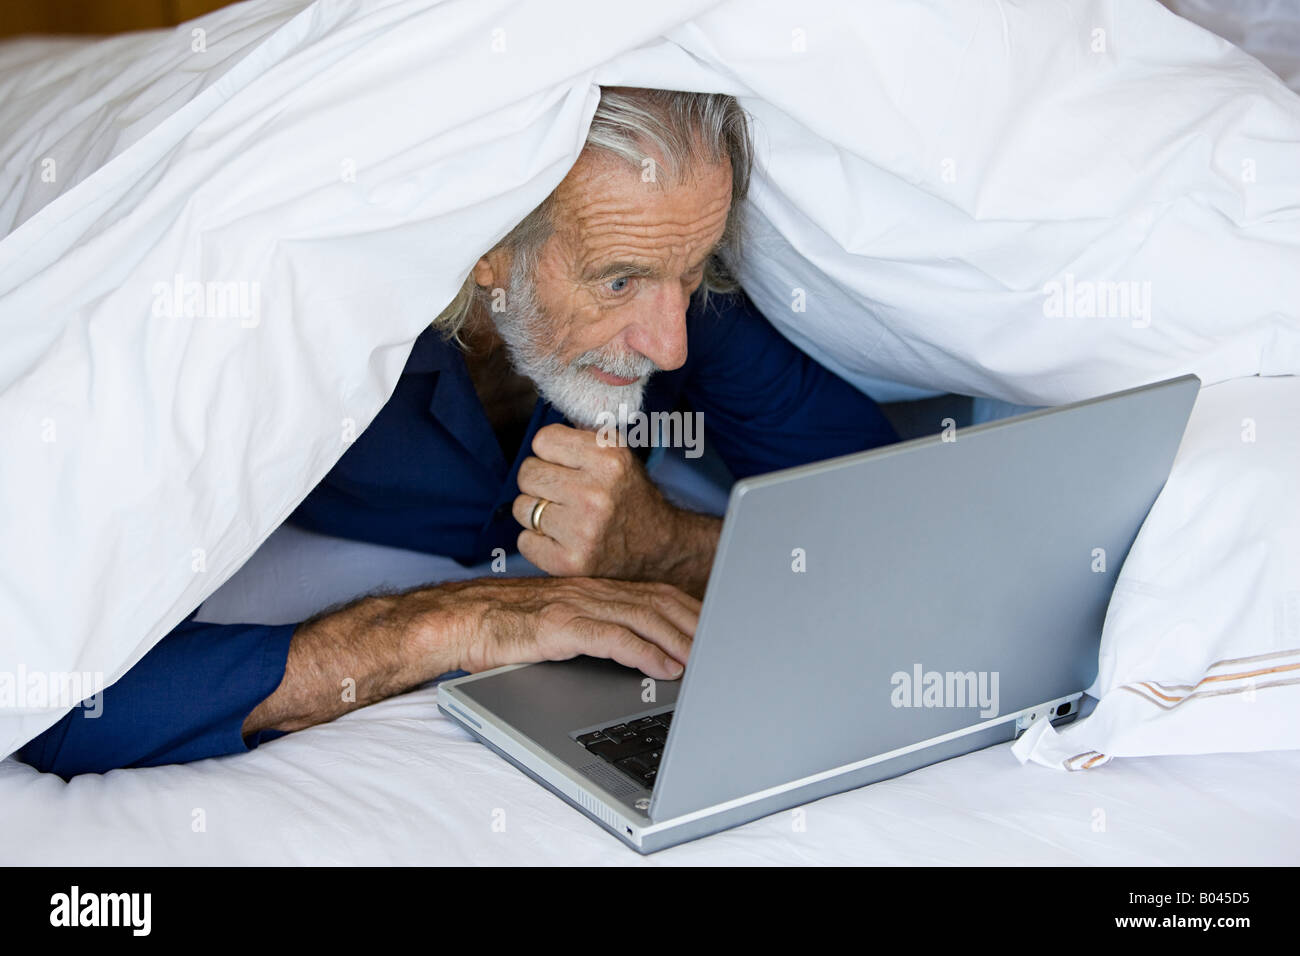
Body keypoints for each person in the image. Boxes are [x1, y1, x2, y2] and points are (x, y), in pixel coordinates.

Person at [20, 87, 898, 777]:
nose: (670, 344)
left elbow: (897, 527)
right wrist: (457, 622)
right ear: (486, 244)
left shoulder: (662, 272)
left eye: (693, 271)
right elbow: (59, 697)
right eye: (620, 283)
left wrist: (658, 542)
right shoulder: (285, 321)